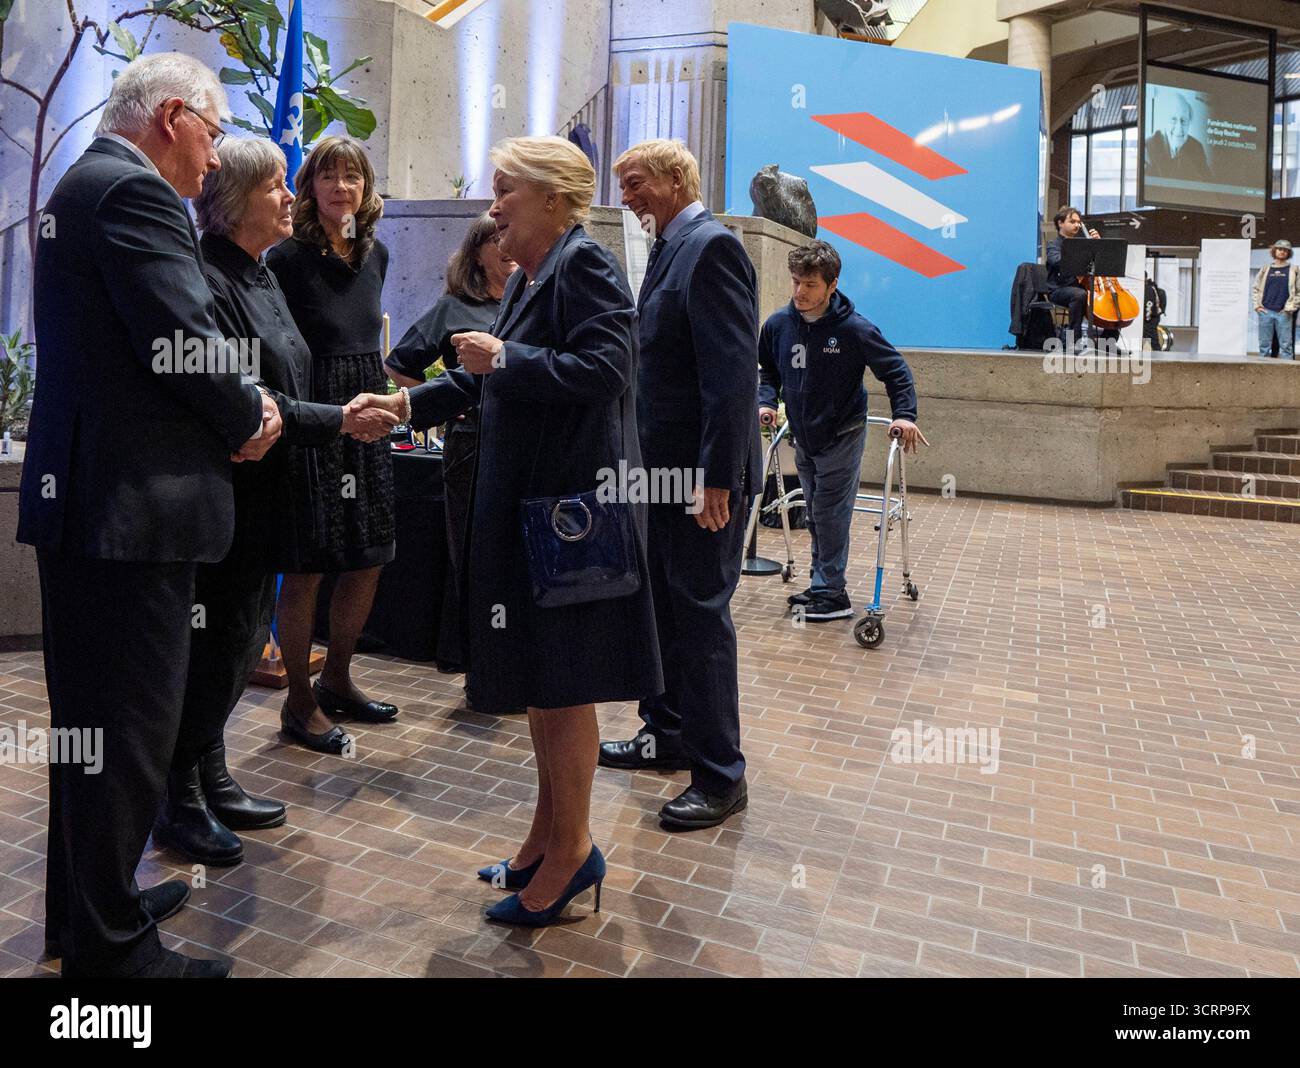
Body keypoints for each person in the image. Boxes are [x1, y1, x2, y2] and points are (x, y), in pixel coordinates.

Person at [346, 136, 662, 926]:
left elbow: (608, 369)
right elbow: (479, 375)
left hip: (564, 516)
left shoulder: (583, 264)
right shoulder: (537, 271)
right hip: (533, 509)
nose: (492, 209)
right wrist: (406, 405)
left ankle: (572, 853)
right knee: (542, 688)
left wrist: (510, 358)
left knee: (563, 686)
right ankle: (543, 842)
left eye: (504, 192)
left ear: (554, 199)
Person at [16, 53, 281, 978]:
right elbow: (184, 345)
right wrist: (251, 413)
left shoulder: (84, 183)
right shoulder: (130, 194)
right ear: (172, 116)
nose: (216, 162)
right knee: (124, 740)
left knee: (95, 738)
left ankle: (90, 913)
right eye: (212, 133)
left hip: (97, 511)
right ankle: (115, 956)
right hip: (129, 519)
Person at [152, 138, 399, 868]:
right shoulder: (210, 278)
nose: (290, 197)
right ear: (235, 204)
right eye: (277, 188)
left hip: (274, 492)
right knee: (216, 645)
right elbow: (246, 398)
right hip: (235, 499)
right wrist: (336, 420)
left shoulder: (258, 272)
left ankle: (212, 774)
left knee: (236, 643)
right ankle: (181, 798)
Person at [599, 139, 761, 831]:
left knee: (699, 618)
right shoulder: (670, 245)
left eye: (634, 184)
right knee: (663, 608)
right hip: (663, 473)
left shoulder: (712, 246)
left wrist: (717, 479)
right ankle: (665, 735)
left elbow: (729, 378)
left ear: (673, 179)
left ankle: (721, 775)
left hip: (700, 478)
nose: (626, 197)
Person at [266, 136, 398, 752]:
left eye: (353, 177)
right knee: (308, 561)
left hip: (368, 405)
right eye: (329, 177)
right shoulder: (286, 259)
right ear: (310, 187)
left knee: (369, 552)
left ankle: (339, 677)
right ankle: (298, 698)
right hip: (317, 410)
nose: (342, 187)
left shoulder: (378, 255)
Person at [758, 241, 925, 621]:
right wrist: (766, 401)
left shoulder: (854, 329)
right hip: (804, 433)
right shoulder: (779, 325)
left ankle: (832, 594)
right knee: (816, 513)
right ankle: (822, 584)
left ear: (832, 286)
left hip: (842, 432)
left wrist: (906, 415)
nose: (800, 292)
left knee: (830, 514)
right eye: (796, 282)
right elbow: (767, 369)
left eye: (811, 285)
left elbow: (897, 373)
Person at [385, 213, 517, 684]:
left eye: (507, 236)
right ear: (476, 252)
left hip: (521, 446)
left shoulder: (527, 296)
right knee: (472, 556)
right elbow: (400, 364)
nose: (504, 246)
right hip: (471, 445)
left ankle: (510, 660)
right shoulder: (455, 307)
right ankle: (476, 662)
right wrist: (442, 405)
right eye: (493, 240)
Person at [1045, 205, 1100, 351]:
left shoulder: (1082, 244)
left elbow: (1101, 263)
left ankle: (1108, 341)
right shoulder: (1053, 245)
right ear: (1060, 223)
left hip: (1080, 289)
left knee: (1111, 300)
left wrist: (1098, 245)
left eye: (1078, 222)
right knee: (1079, 294)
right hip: (1058, 290)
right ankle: (1073, 341)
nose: (1077, 225)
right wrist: (1081, 252)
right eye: (1072, 222)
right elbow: (1056, 261)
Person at [1144, 93, 1211, 185]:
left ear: (1189, 122)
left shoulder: (1197, 148)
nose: (1179, 128)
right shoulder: (1149, 147)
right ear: (1164, 121)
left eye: (1183, 121)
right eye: (1173, 120)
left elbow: (1208, 184)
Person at [1253, 238, 1299, 361]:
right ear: (1274, 251)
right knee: (1264, 346)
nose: (1282, 252)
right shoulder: (1265, 269)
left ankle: (1287, 376)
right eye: (1279, 249)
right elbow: (1256, 288)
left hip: (1284, 313)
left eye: (1285, 250)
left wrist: (1290, 308)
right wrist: (1257, 306)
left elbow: (1298, 292)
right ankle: (1263, 376)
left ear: (1288, 253)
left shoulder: (1294, 269)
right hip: (1265, 311)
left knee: (1286, 347)